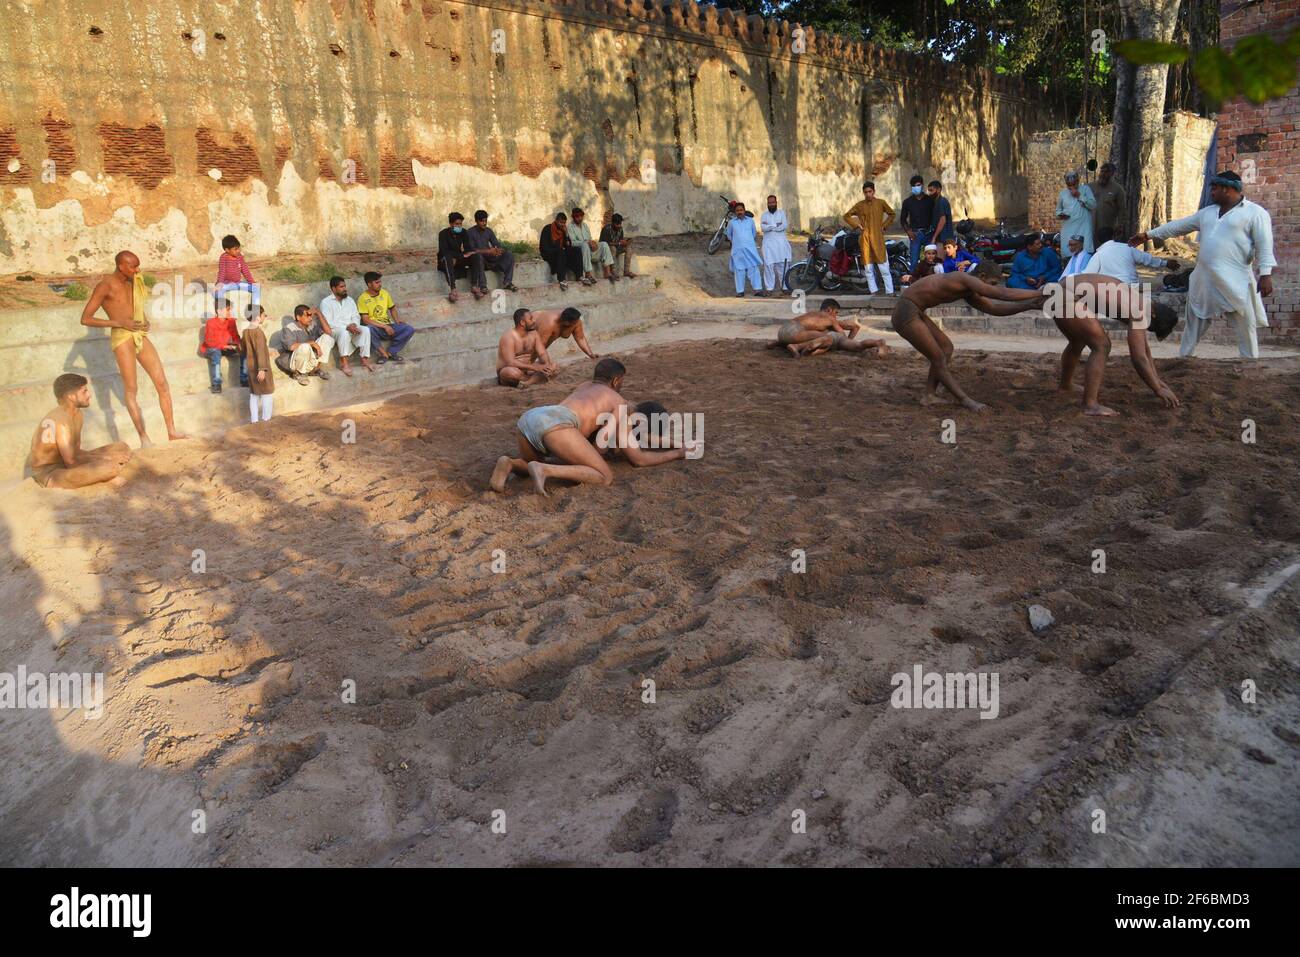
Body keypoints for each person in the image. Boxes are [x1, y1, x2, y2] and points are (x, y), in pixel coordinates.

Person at [488, 358, 698, 496]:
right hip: (556, 426)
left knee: (531, 464)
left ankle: (510, 464)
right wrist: (678, 452)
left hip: (530, 418)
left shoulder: (585, 386)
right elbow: (638, 459)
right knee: (604, 476)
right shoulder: (619, 403)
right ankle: (544, 470)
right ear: (616, 380)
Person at [1131, 170, 1275, 359]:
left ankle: (1250, 362)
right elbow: (1178, 226)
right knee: (1194, 322)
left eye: (1214, 188)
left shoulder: (1255, 213)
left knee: (1245, 324)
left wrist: (1265, 274)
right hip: (1203, 279)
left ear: (1228, 189)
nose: (1211, 192)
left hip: (1235, 280)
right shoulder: (1208, 213)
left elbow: (1265, 245)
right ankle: (1184, 359)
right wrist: (1147, 235)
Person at [890, 267, 1045, 412]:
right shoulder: (962, 278)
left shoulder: (968, 292)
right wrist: (1039, 292)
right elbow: (1001, 293)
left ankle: (929, 395)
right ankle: (964, 399)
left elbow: (995, 309)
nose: (989, 288)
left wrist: (1029, 305)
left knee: (946, 348)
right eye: (990, 283)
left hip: (915, 311)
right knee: (937, 356)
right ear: (982, 276)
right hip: (906, 311)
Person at [79, 250, 186, 446]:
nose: (138, 270)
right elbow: (85, 318)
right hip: (121, 337)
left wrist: (145, 321)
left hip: (139, 334)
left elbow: (135, 307)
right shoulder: (105, 285)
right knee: (131, 389)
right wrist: (117, 322)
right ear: (121, 266)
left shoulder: (134, 281)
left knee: (162, 383)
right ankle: (144, 438)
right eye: (133, 266)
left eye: (138, 265)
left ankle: (171, 431)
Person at [1044, 273, 1182, 415]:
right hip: (1066, 296)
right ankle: (1090, 405)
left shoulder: (1141, 302)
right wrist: (1157, 389)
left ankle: (1066, 385)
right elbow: (1139, 359)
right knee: (1102, 346)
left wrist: (1157, 380)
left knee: (1077, 340)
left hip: (1061, 292)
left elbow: (1145, 350)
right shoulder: (1140, 311)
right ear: (1153, 315)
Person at [27, 373, 132, 489]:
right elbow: (71, 462)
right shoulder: (61, 421)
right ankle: (104, 477)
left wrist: (106, 456)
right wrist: (106, 459)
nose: (89, 395)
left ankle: (104, 471)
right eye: (84, 391)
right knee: (108, 468)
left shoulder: (77, 414)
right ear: (72, 397)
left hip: (67, 462)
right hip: (51, 474)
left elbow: (76, 452)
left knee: (121, 447)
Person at [771, 299, 889, 358]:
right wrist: (847, 340)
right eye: (835, 312)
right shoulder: (829, 317)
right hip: (794, 331)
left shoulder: (812, 315)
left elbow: (852, 326)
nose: (835, 316)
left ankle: (780, 344)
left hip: (783, 331)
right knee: (826, 338)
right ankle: (796, 347)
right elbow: (842, 333)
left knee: (820, 336)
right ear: (829, 310)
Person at [841, 181, 895, 295]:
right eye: (866, 192)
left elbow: (892, 214)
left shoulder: (881, 203)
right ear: (863, 193)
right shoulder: (860, 205)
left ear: (874, 191)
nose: (868, 194)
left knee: (883, 266)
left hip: (878, 238)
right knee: (868, 268)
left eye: (870, 191)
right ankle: (873, 291)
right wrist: (856, 225)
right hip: (865, 239)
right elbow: (846, 216)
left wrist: (884, 226)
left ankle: (890, 291)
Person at [320, 276, 374, 376]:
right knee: (344, 333)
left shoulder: (350, 300)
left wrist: (354, 325)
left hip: (351, 327)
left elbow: (356, 316)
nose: (345, 289)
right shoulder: (326, 302)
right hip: (335, 330)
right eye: (341, 287)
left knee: (366, 329)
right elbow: (328, 322)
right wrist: (347, 326)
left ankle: (364, 359)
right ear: (333, 289)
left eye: (345, 286)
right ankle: (344, 363)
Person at [357, 271, 415, 364]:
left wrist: (396, 321)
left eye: (380, 282)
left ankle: (391, 352)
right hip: (376, 328)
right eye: (377, 282)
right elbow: (365, 319)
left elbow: (392, 309)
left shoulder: (385, 293)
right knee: (368, 329)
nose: (380, 284)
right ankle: (383, 354)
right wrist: (384, 326)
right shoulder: (362, 298)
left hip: (389, 325)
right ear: (369, 284)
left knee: (409, 329)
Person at [463, 210, 519, 298]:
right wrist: (488, 251)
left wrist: (498, 250)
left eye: (485, 221)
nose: (484, 223)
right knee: (478, 257)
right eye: (482, 221)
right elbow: (471, 251)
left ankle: (507, 282)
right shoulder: (470, 232)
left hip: (491, 259)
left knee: (509, 255)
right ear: (476, 221)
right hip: (479, 261)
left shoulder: (488, 231)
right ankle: (483, 286)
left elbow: (496, 244)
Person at [497, 308, 556, 387]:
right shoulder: (508, 337)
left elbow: (542, 353)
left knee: (552, 365)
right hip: (511, 370)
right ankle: (535, 379)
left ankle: (528, 382)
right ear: (522, 322)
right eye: (531, 319)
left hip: (527, 370)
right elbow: (511, 362)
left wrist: (546, 364)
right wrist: (535, 368)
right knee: (511, 372)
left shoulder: (534, 334)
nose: (534, 321)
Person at [276, 304, 335, 384]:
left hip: (310, 361)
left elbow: (329, 332)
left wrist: (319, 314)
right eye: (307, 316)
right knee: (304, 346)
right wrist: (311, 343)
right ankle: (300, 374)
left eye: (311, 316)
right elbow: (291, 347)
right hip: (295, 363)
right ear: (298, 317)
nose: (310, 318)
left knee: (327, 338)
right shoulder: (289, 328)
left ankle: (315, 370)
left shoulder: (312, 325)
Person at [200, 297, 247, 393]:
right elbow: (210, 342)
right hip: (211, 348)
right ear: (219, 311)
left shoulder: (231, 321)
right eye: (228, 309)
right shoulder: (211, 323)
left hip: (225, 347)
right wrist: (223, 346)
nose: (230, 312)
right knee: (216, 353)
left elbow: (235, 336)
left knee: (244, 350)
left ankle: (244, 379)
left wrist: (238, 344)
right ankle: (216, 384)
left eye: (230, 309)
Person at [1087, 238, 1179, 284]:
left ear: (1098, 240)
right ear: (1114, 236)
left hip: (1112, 290)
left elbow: (1087, 274)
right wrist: (1165, 263)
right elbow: (1146, 258)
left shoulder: (1097, 255)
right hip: (1132, 285)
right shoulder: (1127, 248)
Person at [241, 306, 275, 423]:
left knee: (254, 394)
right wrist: (262, 369)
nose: (264, 317)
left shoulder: (245, 332)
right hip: (261, 368)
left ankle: (254, 420)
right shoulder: (258, 332)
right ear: (257, 317)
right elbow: (260, 351)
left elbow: (243, 349)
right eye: (263, 315)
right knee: (267, 393)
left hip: (250, 368)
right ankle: (267, 419)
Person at [214, 233, 261, 320]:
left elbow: (245, 270)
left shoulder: (240, 257)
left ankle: (255, 312)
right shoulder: (223, 257)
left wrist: (252, 282)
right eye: (235, 249)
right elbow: (222, 271)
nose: (238, 251)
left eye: (238, 248)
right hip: (226, 284)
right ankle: (230, 313)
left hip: (238, 283)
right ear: (227, 250)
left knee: (256, 288)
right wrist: (219, 283)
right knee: (216, 292)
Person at [532, 306, 599, 360]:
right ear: (566, 322)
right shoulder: (550, 324)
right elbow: (539, 346)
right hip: (530, 327)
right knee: (531, 351)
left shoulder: (576, 322)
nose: (576, 323)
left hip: (547, 332)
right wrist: (546, 363)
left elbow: (580, 338)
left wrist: (590, 354)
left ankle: (529, 365)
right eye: (574, 323)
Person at [540, 211, 584, 291]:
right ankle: (561, 279)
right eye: (561, 222)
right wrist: (558, 250)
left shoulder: (563, 230)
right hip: (548, 253)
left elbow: (568, 245)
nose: (562, 224)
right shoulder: (547, 229)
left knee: (576, 250)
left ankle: (580, 275)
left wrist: (566, 233)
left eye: (564, 223)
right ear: (556, 221)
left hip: (560, 252)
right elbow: (544, 247)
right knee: (561, 251)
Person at [726, 201, 762, 297]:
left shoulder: (750, 221)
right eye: (737, 210)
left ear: (744, 210)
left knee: (753, 269)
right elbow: (729, 235)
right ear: (735, 212)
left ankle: (757, 290)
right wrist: (738, 243)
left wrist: (747, 242)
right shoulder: (731, 223)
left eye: (741, 210)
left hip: (750, 250)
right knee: (739, 270)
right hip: (738, 251)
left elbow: (753, 233)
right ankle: (740, 291)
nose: (739, 212)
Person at [1056, 172, 1097, 255]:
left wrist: (1079, 195)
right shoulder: (1063, 193)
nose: (1071, 187)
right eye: (1069, 185)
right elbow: (1058, 210)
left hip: (1083, 228)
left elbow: (1093, 205)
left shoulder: (1085, 189)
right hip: (1068, 228)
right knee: (1069, 253)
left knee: (1085, 253)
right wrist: (1061, 215)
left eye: (1073, 184)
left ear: (1077, 181)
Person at [759, 195, 792, 297]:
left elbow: (783, 226)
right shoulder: (764, 215)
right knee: (768, 266)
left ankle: (785, 287)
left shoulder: (781, 213)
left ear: (776, 202)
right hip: (768, 245)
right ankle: (769, 289)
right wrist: (775, 226)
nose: (771, 204)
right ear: (767, 203)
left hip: (781, 245)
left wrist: (770, 227)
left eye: (773, 202)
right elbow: (763, 228)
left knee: (783, 266)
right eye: (769, 203)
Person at [567, 207, 609, 286]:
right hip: (580, 252)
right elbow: (572, 242)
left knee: (604, 244)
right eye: (577, 217)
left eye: (581, 216)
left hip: (589, 250)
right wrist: (586, 242)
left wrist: (593, 243)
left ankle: (608, 272)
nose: (579, 218)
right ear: (573, 217)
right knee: (585, 245)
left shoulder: (585, 225)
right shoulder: (570, 227)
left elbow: (589, 238)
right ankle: (588, 274)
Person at [899, 174, 933, 270]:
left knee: (930, 260)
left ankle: (929, 281)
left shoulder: (929, 200)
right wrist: (908, 231)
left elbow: (935, 217)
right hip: (915, 234)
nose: (916, 188)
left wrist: (933, 233)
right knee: (913, 261)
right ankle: (914, 282)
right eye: (913, 186)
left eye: (918, 185)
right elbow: (902, 219)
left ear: (922, 185)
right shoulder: (907, 202)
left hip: (928, 234)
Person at [438, 212, 473, 303]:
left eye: (460, 224)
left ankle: (475, 285)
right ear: (451, 224)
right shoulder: (443, 234)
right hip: (445, 261)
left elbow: (468, 248)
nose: (459, 226)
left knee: (476, 257)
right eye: (456, 224)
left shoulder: (464, 232)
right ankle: (453, 288)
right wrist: (459, 255)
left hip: (458, 259)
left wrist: (461, 256)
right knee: (448, 258)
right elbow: (444, 251)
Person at [1091, 162, 1126, 246]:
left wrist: (1120, 225)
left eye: (1106, 172)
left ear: (1112, 173)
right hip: (1090, 224)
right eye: (1102, 171)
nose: (1103, 174)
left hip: (1107, 225)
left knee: (1105, 246)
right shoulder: (1090, 186)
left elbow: (1122, 209)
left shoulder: (1118, 189)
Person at [599, 213, 636, 281]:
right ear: (613, 223)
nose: (619, 225)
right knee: (612, 248)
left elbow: (620, 240)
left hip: (617, 248)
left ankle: (626, 271)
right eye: (617, 224)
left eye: (620, 223)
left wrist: (625, 242)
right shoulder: (606, 229)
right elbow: (604, 243)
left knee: (629, 248)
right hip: (607, 251)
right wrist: (619, 243)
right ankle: (613, 271)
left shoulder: (620, 229)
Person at [927, 180, 954, 247]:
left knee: (940, 257)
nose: (929, 193)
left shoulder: (942, 202)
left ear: (938, 190)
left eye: (931, 190)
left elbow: (942, 220)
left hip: (943, 238)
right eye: (929, 191)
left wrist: (934, 237)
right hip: (939, 237)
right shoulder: (936, 202)